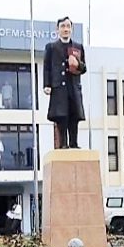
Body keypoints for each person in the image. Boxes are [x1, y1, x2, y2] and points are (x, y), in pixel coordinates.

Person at [44, 16, 87, 149]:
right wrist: (47, 84)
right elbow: (47, 68)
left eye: (68, 26)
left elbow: (84, 68)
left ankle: (74, 143)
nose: (66, 29)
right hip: (59, 88)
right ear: (57, 29)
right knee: (61, 116)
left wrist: (77, 64)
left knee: (74, 116)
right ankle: (63, 143)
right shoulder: (51, 47)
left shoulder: (78, 47)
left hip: (73, 87)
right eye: (63, 26)